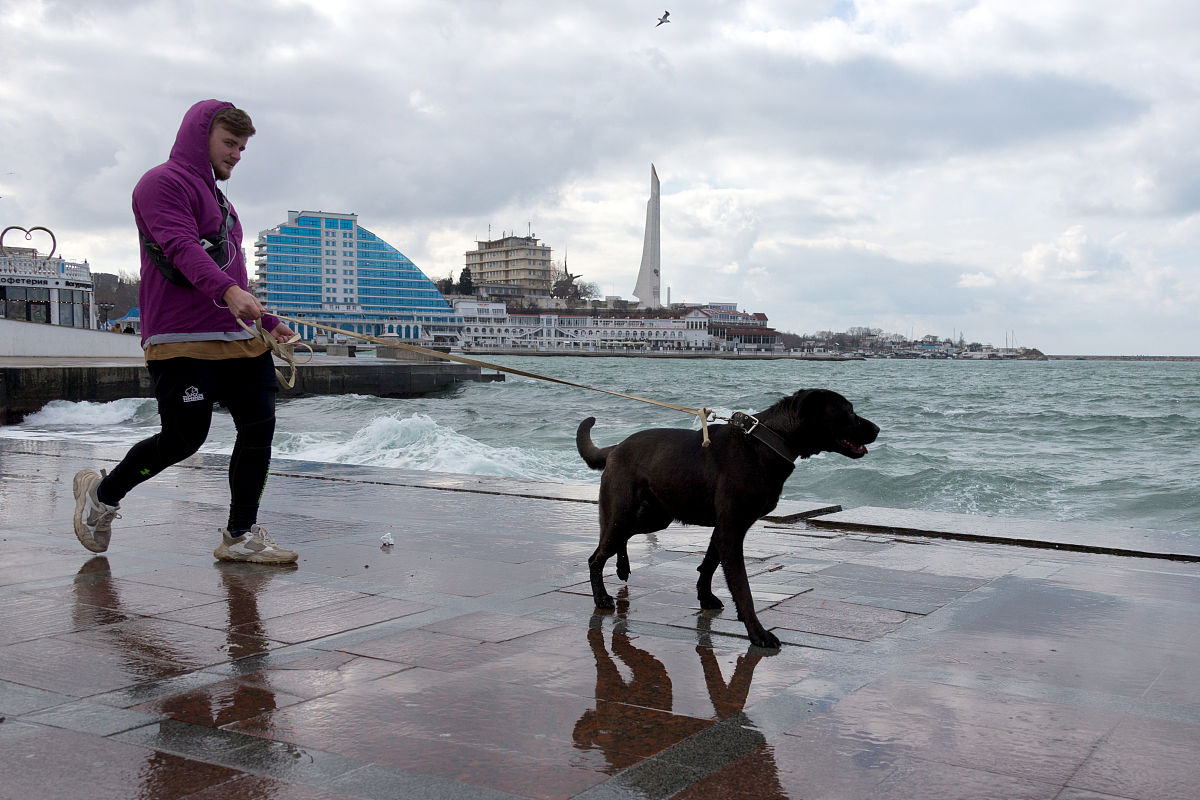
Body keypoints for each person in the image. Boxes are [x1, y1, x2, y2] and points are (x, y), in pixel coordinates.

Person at [72, 99, 297, 565]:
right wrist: (228, 293)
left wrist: (269, 321)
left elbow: (234, 273)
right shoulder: (161, 184)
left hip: (239, 340)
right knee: (183, 439)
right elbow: (179, 248)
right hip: (180, 339)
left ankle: (240, 535)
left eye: (242, 147)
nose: (237, 154)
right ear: (202, 137)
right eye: (229, 143)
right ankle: (101, 495)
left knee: (259, 430)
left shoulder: (224, 203)